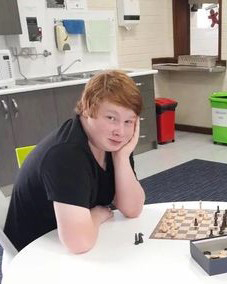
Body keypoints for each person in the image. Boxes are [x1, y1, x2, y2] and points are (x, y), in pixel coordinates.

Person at [4, 70, 146, 255]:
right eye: (111, 118)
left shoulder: (112, 143)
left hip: (70, 237)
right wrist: (96, 215)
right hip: (35, 252)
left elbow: (132, 208)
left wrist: (121, 158)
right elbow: (78, 242)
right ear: (87, 109)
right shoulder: (65, 154)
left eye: (129, 121)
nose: (120, 130)